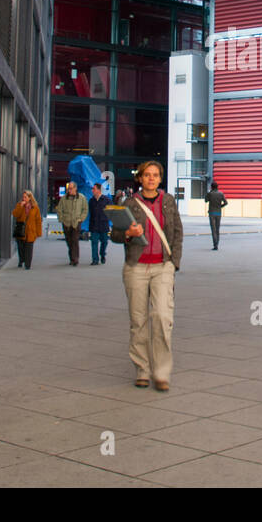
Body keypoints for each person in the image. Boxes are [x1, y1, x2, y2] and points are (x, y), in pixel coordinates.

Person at [112, 160, 182, 391]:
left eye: (155, 175)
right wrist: (129, 234)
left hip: (163, 267)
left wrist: (174, 263)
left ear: (160, 179)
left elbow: (177, 233)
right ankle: (142, 369)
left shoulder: (169, 201)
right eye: (147, 175)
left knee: (162, 317)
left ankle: (161, 372)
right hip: (136, 267)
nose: (151, 178)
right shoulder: (130, 203)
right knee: (138, 320)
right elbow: (115, 234)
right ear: (140, 178)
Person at [56, 181, 88, 266]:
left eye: (71, 188)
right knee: (69, 241)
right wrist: (61, 219)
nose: (69, 190)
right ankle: (72, 257)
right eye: (68, 188)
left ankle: (75, 259)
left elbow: (85, 209)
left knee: (75, 240)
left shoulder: (81, 198)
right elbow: (59, 209)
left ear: (75, 188)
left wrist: (81, 219)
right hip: (66, 223)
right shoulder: (64, 198)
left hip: (76, 223)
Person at [12, 190, 42, 270]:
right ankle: (21, 260)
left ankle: (28, 264)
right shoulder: (19, 205)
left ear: (30, 198)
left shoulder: (35, 207)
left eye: (25, 197)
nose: (24, 198)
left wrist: (38, 232)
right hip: (21, 230)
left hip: (31, 231)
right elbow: (15, 214)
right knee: (21, 247)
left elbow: (38, 220)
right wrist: (20, 207)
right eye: (23, 197)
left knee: (29, 248)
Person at [89, 183, 110, 265]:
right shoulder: (91, 201)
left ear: (98, 190)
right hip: (94, 225)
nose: (92, 190)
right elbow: (90, 213)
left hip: (103, 225)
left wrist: (110, 224)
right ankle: (95, 259)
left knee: (104, 242)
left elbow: (111, 212)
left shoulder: (107, 200)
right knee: (94, 242)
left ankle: (102, 254)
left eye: (94, 189)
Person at [205, 181, 228, 250]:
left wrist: (209, 193)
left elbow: (205, 200)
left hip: (212, 213)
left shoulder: (210, 194)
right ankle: (217, 243)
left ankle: (215, 245)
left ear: (211, 187)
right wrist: (220, 206)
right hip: (218, 213)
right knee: (217, 229)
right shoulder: (221, 194)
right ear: (217, 187)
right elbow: (226, 202)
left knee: (213, 229)